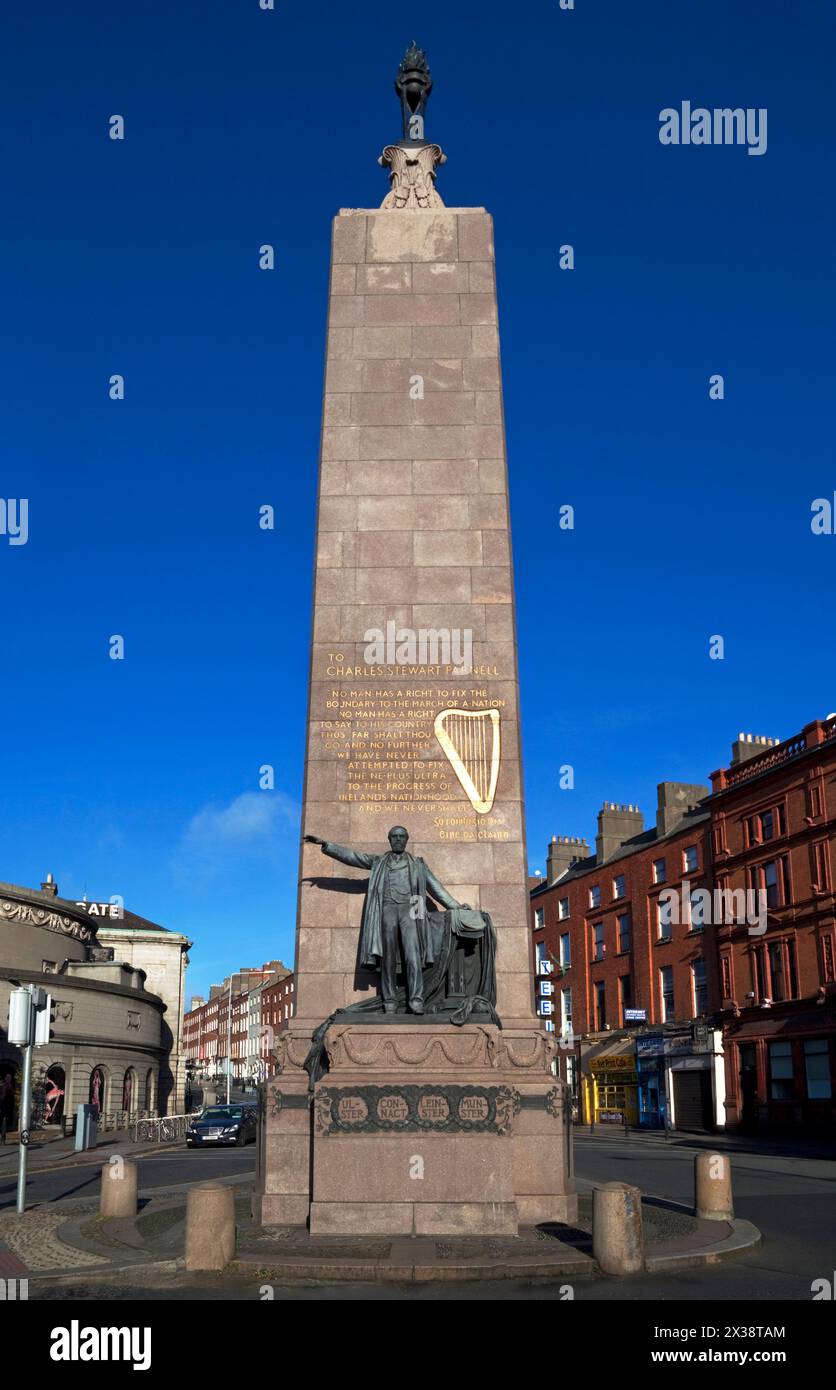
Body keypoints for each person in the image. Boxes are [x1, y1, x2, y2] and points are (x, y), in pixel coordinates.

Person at [304, 825, 468, 1014]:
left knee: (413, 956)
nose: (398, 839)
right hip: (387, 910)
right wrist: (327, 845)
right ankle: (389, 1000)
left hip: (411, 910)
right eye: (394, 836)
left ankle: (416, 999)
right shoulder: (379, 861)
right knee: (388, 957)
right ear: (389, 840)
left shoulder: (418, 864)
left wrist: (454, 905)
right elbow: (353, 857)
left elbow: (435, 887)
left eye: (401, 836)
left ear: (407, 840)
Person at [0, 1072, 16, 1144]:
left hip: (6, 1107)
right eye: (8, 1077)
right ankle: (2, 1139)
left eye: (10, 1078)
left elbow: (12, 1097)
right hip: (1, 1106)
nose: (9, 1079)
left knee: (4, 1123)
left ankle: (3, 1139)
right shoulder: (1, 1085)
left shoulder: (11, 1086)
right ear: (5, 1078)